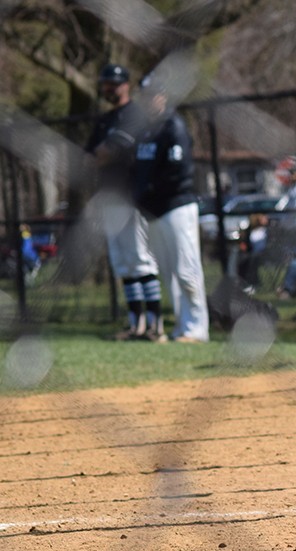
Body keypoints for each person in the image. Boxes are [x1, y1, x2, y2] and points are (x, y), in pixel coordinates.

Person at [84, 63, 165, 342]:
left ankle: (156, 325)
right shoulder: (105, 119)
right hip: (109, 197)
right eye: (106, 83)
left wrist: (105, 152)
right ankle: (136, 325)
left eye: (114, 83)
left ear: (125, 85)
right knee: (123, 263)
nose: (109, 88)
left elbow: (106, 153)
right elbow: (92, 156)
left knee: (141, 259)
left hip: (130, 197)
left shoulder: (134, 114)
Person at [133, 71, 210, 343]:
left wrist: (149, 191)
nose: (148, 100)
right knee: (169, 272)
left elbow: (178, 171)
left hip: (176, 206)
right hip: (153, 210)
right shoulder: (145, 130)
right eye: (144, 96)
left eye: (152, 95)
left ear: (163, 97)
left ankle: (196, 329)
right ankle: (181, 327)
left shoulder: (173, 126)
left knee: (187, 269)